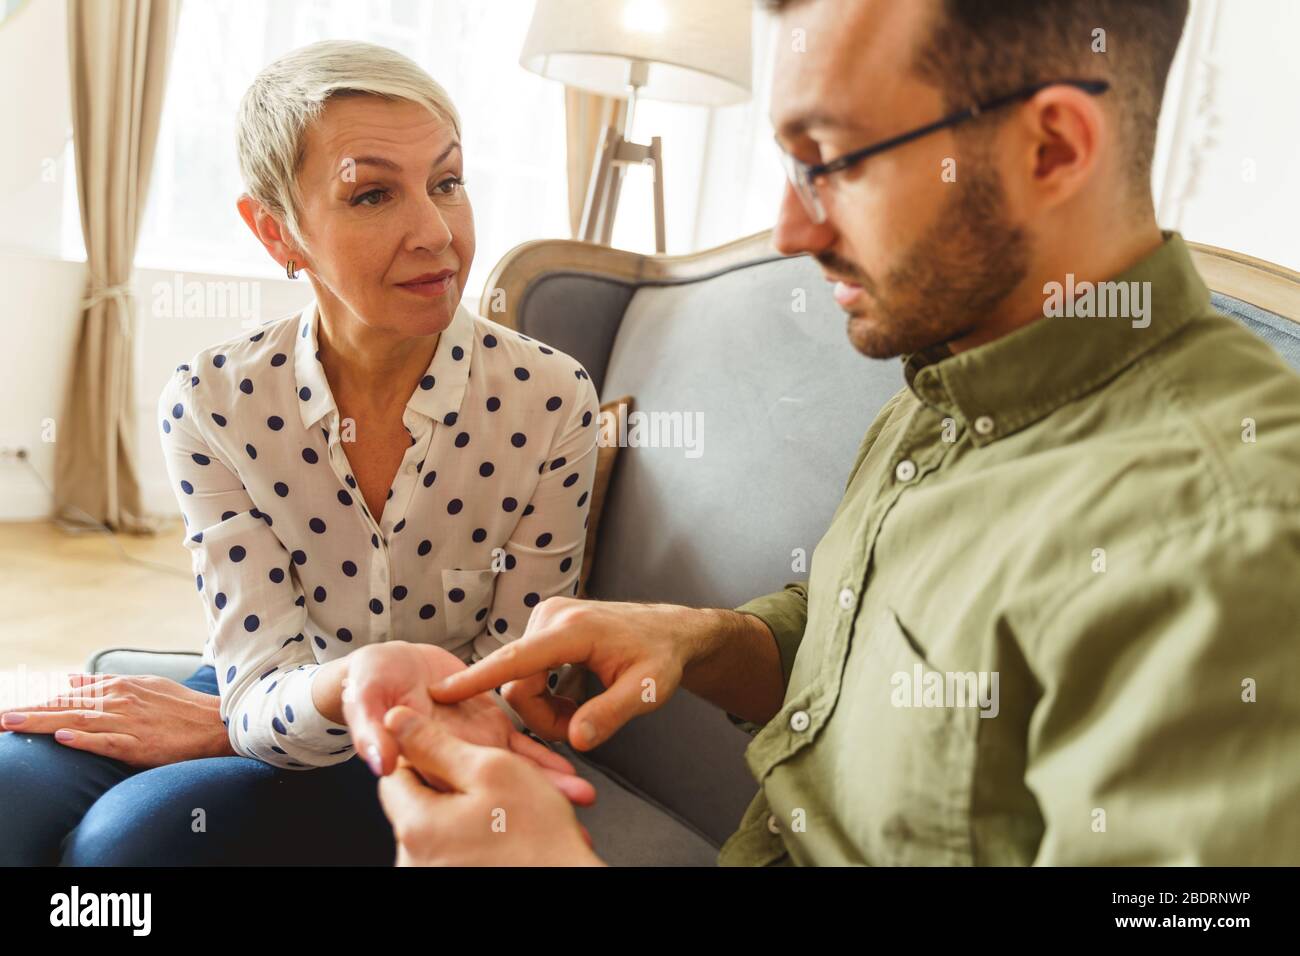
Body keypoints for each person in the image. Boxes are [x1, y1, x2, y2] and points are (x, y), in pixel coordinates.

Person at [396, 0, 1300, 865]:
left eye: (833, 160)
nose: (792, 230)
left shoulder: (1229, 533)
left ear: (1053, 148)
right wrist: (694, 640)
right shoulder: (952, 372)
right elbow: (865, 641)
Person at [0, 39, 599, 866]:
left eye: (448, 182)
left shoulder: (551, 398)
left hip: (434, 748)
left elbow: (514, 686)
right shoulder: (212, 400)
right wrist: (284, 703)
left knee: (124, 851)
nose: (435, 231)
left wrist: (253, 720)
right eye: (373, 194)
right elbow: (258, 669)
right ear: (275, 230)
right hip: (283, 690)